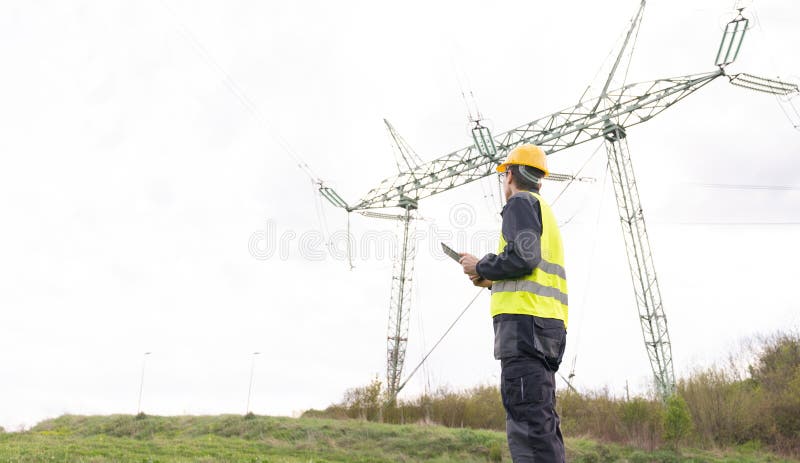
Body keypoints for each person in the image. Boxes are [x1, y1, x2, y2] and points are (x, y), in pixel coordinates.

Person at [459, 144, 568, 462]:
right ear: (539, 179)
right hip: (544, 333)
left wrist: (481, 267)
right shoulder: (543, 211)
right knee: (542, 429)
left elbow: (523, 257)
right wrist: (493, 280)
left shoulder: (520, 202)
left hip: (524, 334)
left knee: (529, 433)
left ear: (509, 175)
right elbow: (531, 271)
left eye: (503, 174)